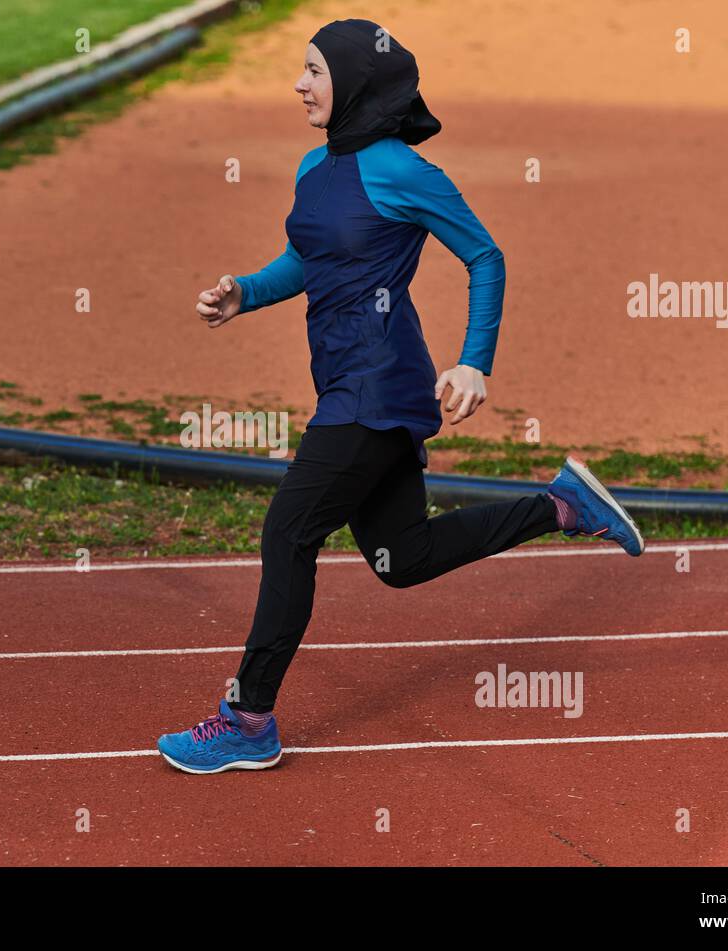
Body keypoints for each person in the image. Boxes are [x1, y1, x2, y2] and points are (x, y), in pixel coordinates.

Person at [157, 18, 643, 774]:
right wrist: (245, 293)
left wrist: (474, 362)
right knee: (401, 557)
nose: (299, 84)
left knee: (289, 531)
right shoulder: (314, 170)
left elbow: (486, 255)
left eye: (314, 71)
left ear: (353, 82)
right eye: (301, 69)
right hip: (349, 385)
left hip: (375, 388)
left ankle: (249, 717)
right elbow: (307, 259)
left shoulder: (401, 170)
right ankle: (563, 507)